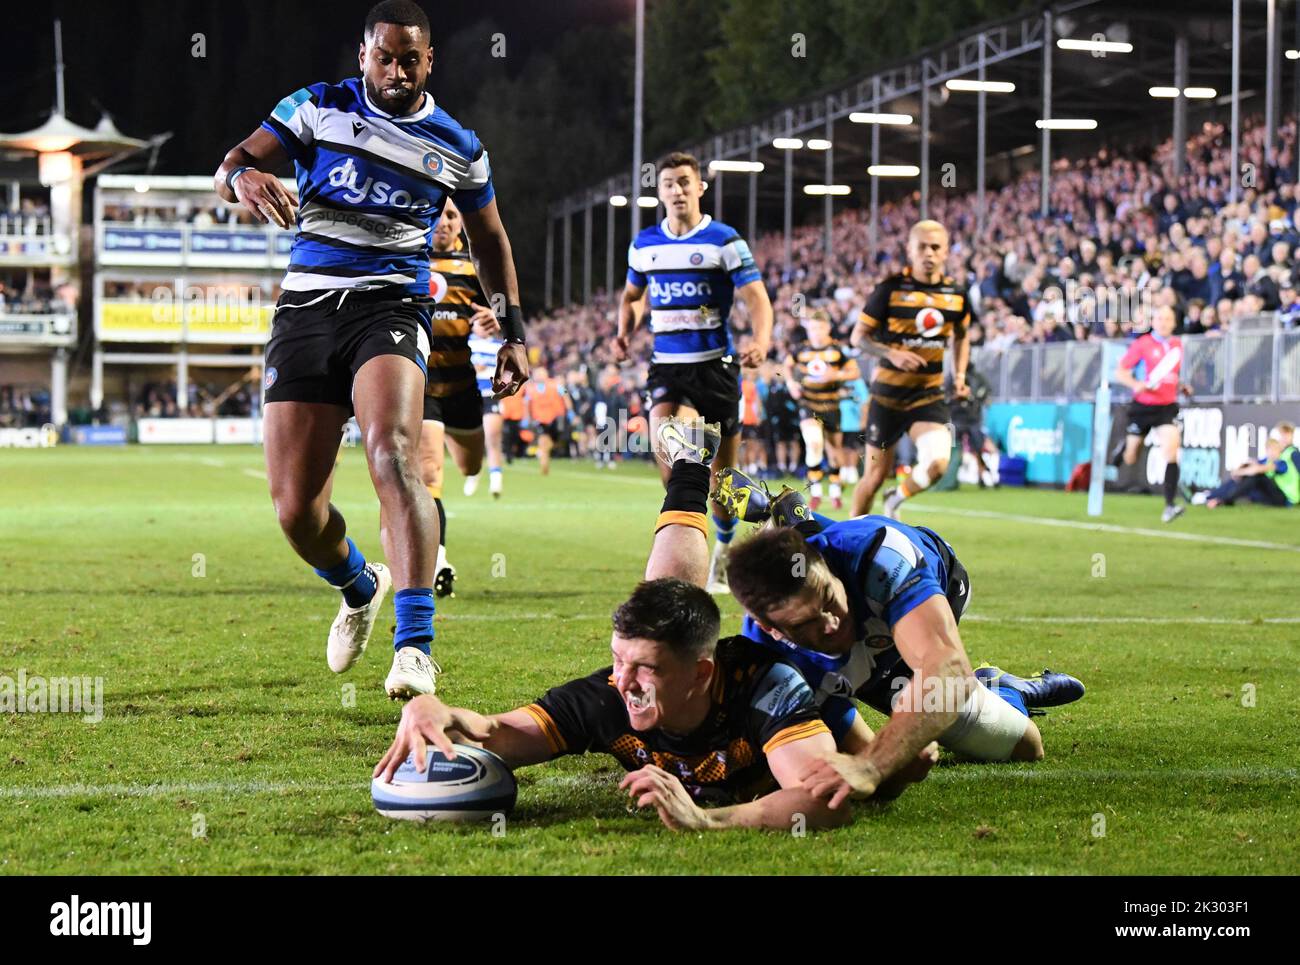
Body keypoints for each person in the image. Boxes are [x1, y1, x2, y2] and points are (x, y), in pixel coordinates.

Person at [374, 419, 936, 830]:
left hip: (821, 667)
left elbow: (822, 800)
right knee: (669, 605)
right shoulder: (609, 694)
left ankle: (796, 521)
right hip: (731, 648)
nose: (623, 682)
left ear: (702, 676)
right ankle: (693, 473)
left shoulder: (767, 688)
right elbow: (497, 733)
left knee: (954, 757)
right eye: (620, 663)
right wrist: (438, 714)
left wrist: (711, 821)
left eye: (644, 670)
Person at [213, 0, 529, 699]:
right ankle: (359, 584)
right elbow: (232, 161)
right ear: (363, 55)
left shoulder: (457, 144)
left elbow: (491, 239)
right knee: (297, 512)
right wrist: (243, 177)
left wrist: (514, 331)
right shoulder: (317, 107)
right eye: (384, 57)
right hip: (305, 310)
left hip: (390, 307)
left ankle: (415, 645)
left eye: (409, 58)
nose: (395, 70)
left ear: (429, 60)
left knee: (393, 452)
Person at [714, 475, 1084, 802]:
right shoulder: (769, 656)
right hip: (848, 643)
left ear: (826, 565)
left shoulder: (882, 555)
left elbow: (949, 671)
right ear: (771, 628)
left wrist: (875, 764)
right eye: (807, 621)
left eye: (828, 599)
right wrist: (888, 767)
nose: (831, 622)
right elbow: (856, 773)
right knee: (904, 723)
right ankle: (791, 521)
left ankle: (1003, 690)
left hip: (929, 587)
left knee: (1025, 745)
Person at [612, 152, 774, 594]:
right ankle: (683, 564)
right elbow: (630, 295)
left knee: (722, 485)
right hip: (668, 368)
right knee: (677, 466)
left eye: (685, 182)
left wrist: (760, 340)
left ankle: (723, 545)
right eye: (668, 183)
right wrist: (623, 331)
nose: (677, 190)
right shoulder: (645, 244)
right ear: (659, 191)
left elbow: (757, 298)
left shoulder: (724, 240)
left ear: (700, 187)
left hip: (717, 369)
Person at [850, 221, 973, 520]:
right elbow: (859, 338)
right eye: (922, 247)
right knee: (874, 477)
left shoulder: (956, 295)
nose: (928, 253)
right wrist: (892, 353)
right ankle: (847, 539)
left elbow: (962, 335)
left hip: (927, 397)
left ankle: (898, 497)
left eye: (935, 247)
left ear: (946, 252)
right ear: (910, 250)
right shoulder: (890, 290)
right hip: (887, 399)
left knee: (938, 464)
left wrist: (958, 376)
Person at [409, 197, 500, 598]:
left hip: (462, 386)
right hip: (423, 385)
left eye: (451, 216)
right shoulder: (408, 262)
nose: (443, 223)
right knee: (430, 474)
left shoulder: (475, 267)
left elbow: (502, 311)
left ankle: (476, 469)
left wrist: (496, 320)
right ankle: (438, 558)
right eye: (437, 215)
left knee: (469, 465)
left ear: (462, 223)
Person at [1110, 305, 1192, 523]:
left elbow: (1170, 374)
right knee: (1131, 456)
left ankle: (1169, 506)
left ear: (1174, 323)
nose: (1164, 322)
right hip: (1143, 407)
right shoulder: (1143, 344)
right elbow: (1120, 372)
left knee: (1172, 452)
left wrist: (1182, 386)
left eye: (1168, 318)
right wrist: (1135, 384)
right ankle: (1125, 446)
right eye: (1160, 318)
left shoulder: (1177, 346)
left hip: (1167, 406)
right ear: (1153, 321)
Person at [785, 309, 860, 510]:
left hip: (831, 405)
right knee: (814, 442)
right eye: (812, 328)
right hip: (808, 403)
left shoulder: (837, 350)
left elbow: (854, 372)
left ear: (827, 328)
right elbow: (786, 366)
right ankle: (816, 491)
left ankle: (835, 490)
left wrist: (835, 376)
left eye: (819, 328)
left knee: (835, 451)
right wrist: (791, 384)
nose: (816, 332)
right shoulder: (801, 350)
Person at [1203, 425, 1299, 508]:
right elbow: (1251, 462)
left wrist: (1239, 472)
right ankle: (1212, 496)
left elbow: (1258, 470)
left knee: (1257, 477)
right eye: (1269, 450)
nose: (1271, 452)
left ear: (1279, 450)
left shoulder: (1282, 462)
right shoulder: (1269, 460)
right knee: (1245, 477)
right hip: (1273, 496)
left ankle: (1223, 500)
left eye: (1274, 450)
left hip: (1286, 500)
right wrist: (1240, 469)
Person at [523, 364, 570, 476]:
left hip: (556, 418)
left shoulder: (556, 385)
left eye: (541, 373)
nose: (539, 376)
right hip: (540, 420)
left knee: (554, 442)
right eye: (537, 374)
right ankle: (544, 465)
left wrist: (570, 411)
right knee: (543, 441)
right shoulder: (530, 389)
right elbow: (526, 403)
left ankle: (544, 453)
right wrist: (526, 418)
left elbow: (566, 395)